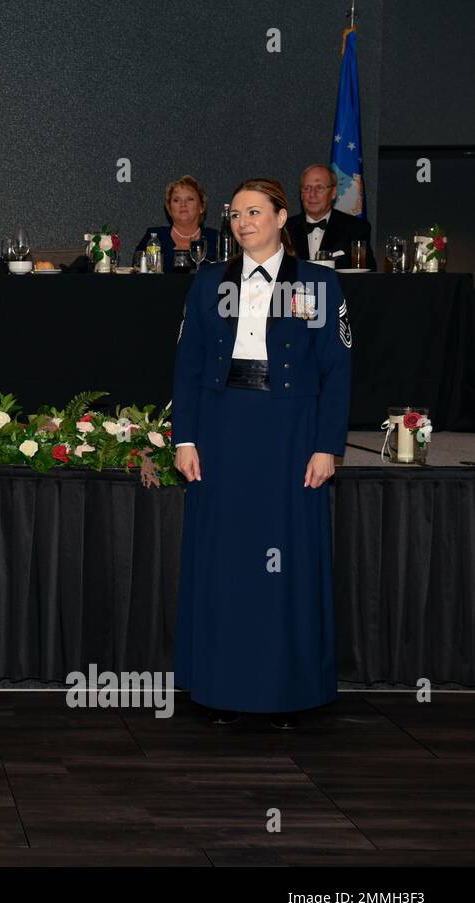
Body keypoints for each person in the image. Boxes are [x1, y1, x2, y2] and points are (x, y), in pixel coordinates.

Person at [172, 177, 351, 730]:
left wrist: (328, 446)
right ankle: (219, 688)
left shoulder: (319, 284)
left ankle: (287, 692)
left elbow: (338, 369)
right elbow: (189, 364)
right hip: (224, 427)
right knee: (226, 556)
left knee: (286, 558)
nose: (243, 222)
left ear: (281, 219)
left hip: (290, 430)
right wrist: (185, 437)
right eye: (235, 214)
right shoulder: (207, 283)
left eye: (254, 212)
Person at [288, 163, 376, 270]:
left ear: (333, 192)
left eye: (319, 188)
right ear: (301, 194)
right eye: (307, 188)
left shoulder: (356, 228)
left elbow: (367, 274)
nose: (312, 194)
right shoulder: (283, 229)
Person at [135, 175, 219, 267]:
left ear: (202, 207)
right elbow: (138, 274)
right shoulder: (155, 237)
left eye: (190, 199)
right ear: (169, 209)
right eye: (176, 200)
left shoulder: (215, 239)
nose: (183, 204)